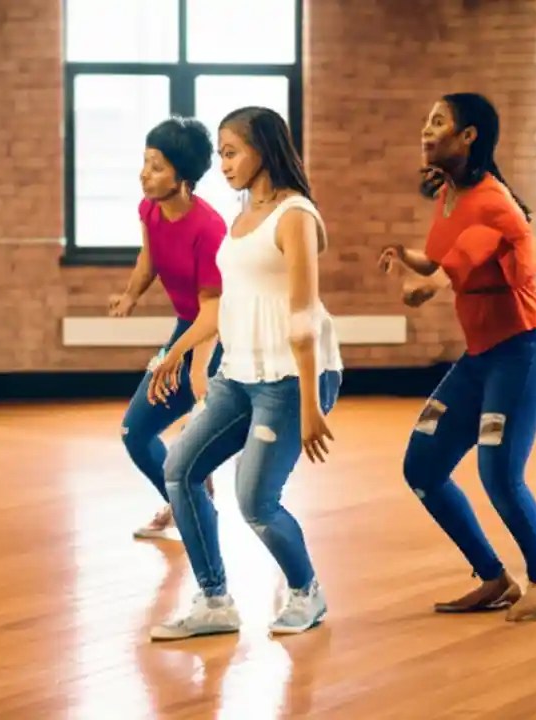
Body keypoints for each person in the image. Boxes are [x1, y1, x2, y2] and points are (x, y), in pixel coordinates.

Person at [146, 106, 343, 640]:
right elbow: (231, 300)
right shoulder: (240, 217)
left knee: (255, 501)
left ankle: (307, 591)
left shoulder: (295, 215)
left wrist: (310, 405)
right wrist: (198, 358)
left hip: (291, 376)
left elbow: (303, 315)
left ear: (263, 150)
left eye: (232, 153)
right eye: (223, 154)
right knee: (179, 470)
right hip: (239, 372)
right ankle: (214, 601)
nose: (224, 164)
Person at [378, 92, 536, 622]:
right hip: (481, 357)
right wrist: (410, 258)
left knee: (499, 473)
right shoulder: (449, 194)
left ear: (469, 136)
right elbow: (444, 253)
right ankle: (492, 576)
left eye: (438, 122)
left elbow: (476, 250)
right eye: (426, 119)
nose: (426, 130)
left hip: (525, 351)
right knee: (423, 466)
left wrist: (430, 283)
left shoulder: (493, 199)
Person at [107, 116, 226, 541]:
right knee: (135, 432)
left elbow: (213, 311)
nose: (145, 173)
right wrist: (130, 296)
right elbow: (150, 259)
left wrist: (194, 368)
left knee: (146, 431)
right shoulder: (151, 208)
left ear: (184, 175)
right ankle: (191, 504)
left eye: (156, 166)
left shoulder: (209, 229)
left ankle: (194, 509)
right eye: (144, 161)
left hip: (215, 337)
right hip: (185, 328)